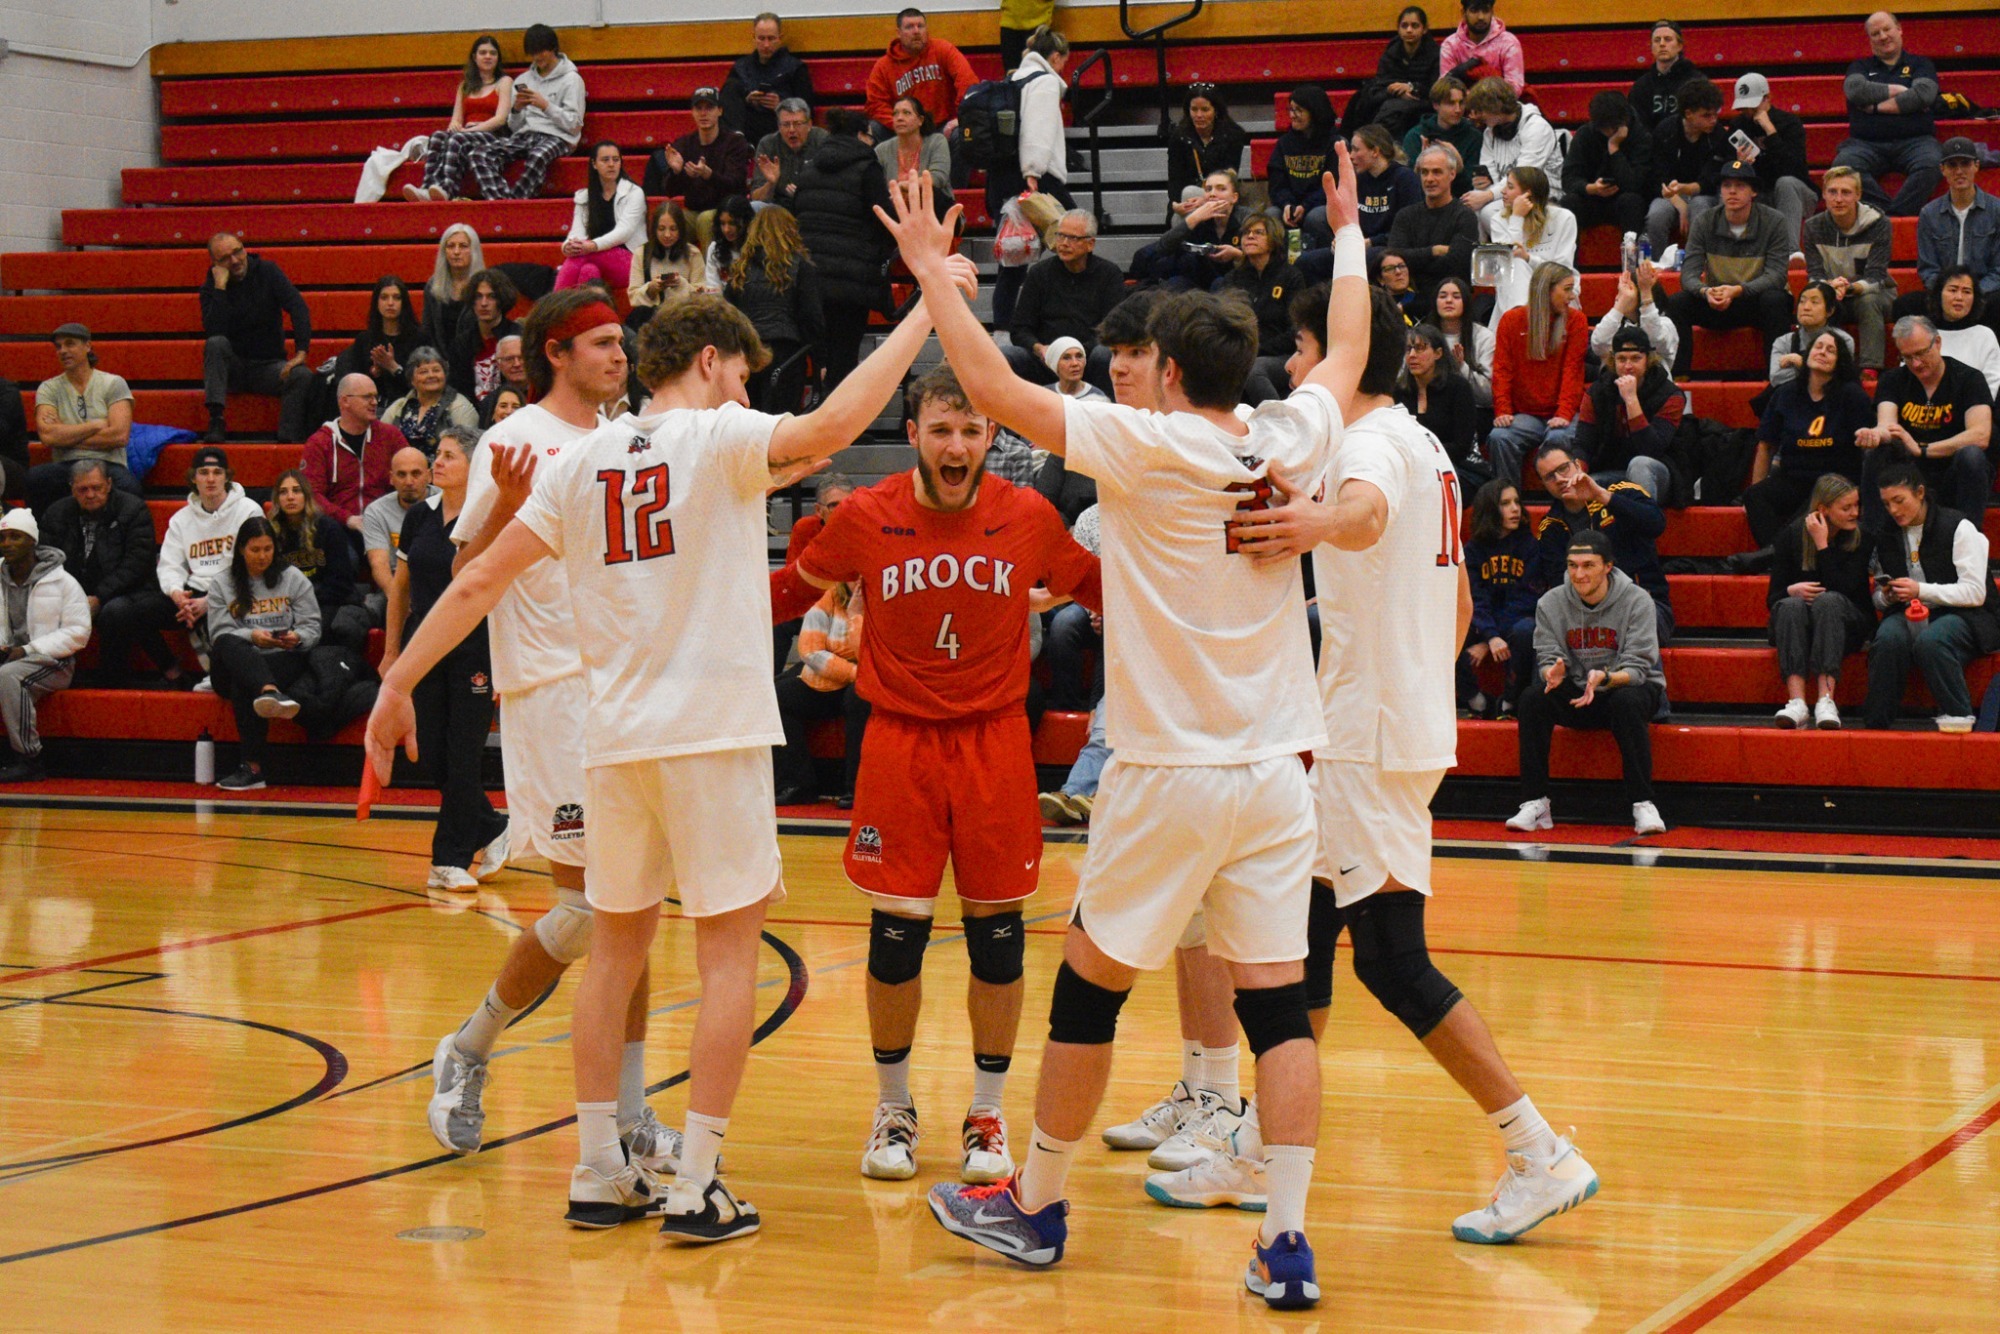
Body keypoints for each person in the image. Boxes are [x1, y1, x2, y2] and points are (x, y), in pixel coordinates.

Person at [884, 151, 1370, 1309]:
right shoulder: (1288, 436)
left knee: (1087, 991)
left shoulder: (1148, 445)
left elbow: (992, 390)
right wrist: (1347, 235)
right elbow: (1346, 353)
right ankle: (1285, 1241)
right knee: (1276, 1005)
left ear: (1169, 373)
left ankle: (1035, 1202)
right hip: (1274, 771)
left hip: (1166, 771)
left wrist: (930, 271)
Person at [372, 279, 952, 1240]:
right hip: (711, 736)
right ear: (711, 362)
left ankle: (599, 1167)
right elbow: (838, 423)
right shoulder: (717, 435)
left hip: (614, 741)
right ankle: (698, 1182)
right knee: (727, 962)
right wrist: (927, 307)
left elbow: (475, 582)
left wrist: (397, 684)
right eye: (742, 376)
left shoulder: (579, 460)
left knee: (613, 953)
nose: (746, 394)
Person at [1230, 282, 1601, 1246]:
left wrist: (1308, 527)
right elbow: (1462, 601)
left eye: (1303, 350)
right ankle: (1261, 1147)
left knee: (1393, 963)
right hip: (1381, 723)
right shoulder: (1428, 444)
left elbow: (1358, 514)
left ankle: (1538, 1150)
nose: (1296, 369)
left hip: (1371, 736)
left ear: (1342, 355)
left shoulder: (1366, 448)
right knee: (1302, 929)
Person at [786, 363, 1100, 1187]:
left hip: (994, 745)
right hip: (899, 744)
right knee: (896, 939)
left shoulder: (1028, 515)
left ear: (991, 434)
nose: (956, 446)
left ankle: (987, 1110)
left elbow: (1100, 587)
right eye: (941, 430)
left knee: (998, 940)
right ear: (913, 434)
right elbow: (791, 589)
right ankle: (893, 1106)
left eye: (970, 430)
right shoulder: (867, 515)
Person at [378, 426, 507, 889]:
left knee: (463, 755)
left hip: (475, 647)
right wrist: (392, 651)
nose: (438, 461)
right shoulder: (420, 516)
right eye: (439, 453)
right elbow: (401, 588)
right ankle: (492, 825)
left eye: (450, 455)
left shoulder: (491, 517)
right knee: (430, 752)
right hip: (424, 645)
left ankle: (449, 860)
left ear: (475, 466)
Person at [1508, 528, 1668, 834]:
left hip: (1625, 686)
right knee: (1532, 699)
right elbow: (1548, 656)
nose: (1579, 574)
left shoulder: (1637, 600)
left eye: (1588, 565)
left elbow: (1638, 668)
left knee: (1627, 701)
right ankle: (1535, 802)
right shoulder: (1550, 602)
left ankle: (1642, 803)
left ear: (1608, 566)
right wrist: (1551, 673)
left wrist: (1606, 677)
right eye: (1573, 565)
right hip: (1578, 689)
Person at [1864, 461, 2000, 732]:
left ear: (1920, 493)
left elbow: (1975, 593)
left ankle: (1959, 717)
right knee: (1887, 639)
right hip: (1907, 611)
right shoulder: (1886, 534)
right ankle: (1876, 726)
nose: (1893, 510)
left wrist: (1920, 590)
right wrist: (1888, 597)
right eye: (1886, 503)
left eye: (1899, 501)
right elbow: (1878, 599)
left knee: (1932, 640)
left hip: (1966, 614)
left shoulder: (1959, 526)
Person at [204, 515, 319, 791]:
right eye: (255, 550)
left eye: (268, 549)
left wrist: (297, 637)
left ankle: (252, 769)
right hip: (233, 660)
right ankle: (269, 692)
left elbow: (312, 626)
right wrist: (252, 636)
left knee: (244, 683)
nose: (262, 556)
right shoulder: (222, 583)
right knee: (229, 644)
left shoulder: (292, 578)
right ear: (241, 550)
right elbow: (219, 634)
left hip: (280, 658)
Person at [1034, 291, 1162, 531]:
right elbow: (1041, 503)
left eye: (1136, 352)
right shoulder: (1098, 421)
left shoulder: (1207, 435)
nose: (1117, 368)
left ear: (1171, 362)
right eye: (1114, 352)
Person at [1533, 440, 1675, 646]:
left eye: (1563, 468)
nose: (1559, 479)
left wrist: (1602, 496)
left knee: (1629, 631)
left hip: (1645, 602)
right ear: (1544, 485)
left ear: (1578, 465)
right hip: (1587, 615)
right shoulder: (1550, 527)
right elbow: (1559, 583)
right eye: (1549, 477)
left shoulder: (1620, 490)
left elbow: (1656, 523)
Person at [1661, 160, 1796, 377]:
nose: (1732, 191)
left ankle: (1778, 376)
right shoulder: (1704, 221)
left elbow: (1776, 275)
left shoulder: (1774, 221)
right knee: (1678, 302)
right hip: (1718, 300)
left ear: (1753, 192)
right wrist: (1705, 291)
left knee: (1776, 299)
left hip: (1755, 301)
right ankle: (1679, 377)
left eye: (1740, 186)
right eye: (1726, 185)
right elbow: (1689, 274)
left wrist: (1739, 290)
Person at [1860, 316, 1995, 530]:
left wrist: (1923, 449)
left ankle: (1968, 538)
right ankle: (1873, 539)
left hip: (1952, 470)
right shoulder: (1893, 380)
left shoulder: (1969, 378)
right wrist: (1875, 434)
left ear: (1937, 343)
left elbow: (1980, 435)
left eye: (1921, 353)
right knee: (1877, 453)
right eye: (1907, 357)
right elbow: (1887, 425)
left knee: (1972, 456)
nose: (1916, 363)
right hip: (1909, 472)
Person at [793, 109, 894, 391]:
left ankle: (818, 408)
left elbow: (797, 214)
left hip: (811, 275)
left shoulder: (809, 168)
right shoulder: (867, 168)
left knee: (819, 353)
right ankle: (840, 413)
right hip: (852, 278)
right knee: (845, 354)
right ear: (861, 135)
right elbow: (885, 218)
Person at [1745, 331, 1874, 546]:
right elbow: (1766, 445)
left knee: (1807, 515)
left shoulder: (1852, 394)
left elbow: (1867, 446)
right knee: (1754, 496)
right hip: (1794, 477)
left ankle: (1773, 558)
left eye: (1830, 350)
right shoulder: (1786, 393)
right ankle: (1774, 556)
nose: (1822, 352)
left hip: (1835, 481)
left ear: (1840, 361)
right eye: (1818, 347)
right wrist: (1757, 485)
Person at [1768, 474, 1876, 730]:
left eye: (1856, 505)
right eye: (1846, 508)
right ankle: (1796, 702)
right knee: (1790, 605)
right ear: (1823, 509)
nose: (1855, 513)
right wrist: (1790, 590)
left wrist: (1822, 545)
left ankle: (1826, 701)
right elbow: (1772, 599)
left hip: (1848, 623)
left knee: (1829, 601)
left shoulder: (1862, 537)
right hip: (1801, 626)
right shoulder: (1791, 535)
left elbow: (1846, 589)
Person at [40, 460, 160, 687]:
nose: (90, 494)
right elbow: (47, 561)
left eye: (97, 488)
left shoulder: (133, 509)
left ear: (109, 484)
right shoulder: (56, 513)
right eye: (82, 489)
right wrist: (72, 597)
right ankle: (52, 676)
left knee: (116, 611)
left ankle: (111, 682)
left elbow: (137, 564)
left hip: (125, 590)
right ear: (72, 489)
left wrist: (100, 596)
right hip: (72, 591)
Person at [153, 447, 264, 685]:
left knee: (219, 608)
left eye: (217, 472)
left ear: (227, 476)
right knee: (128, 612)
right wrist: (177, 595)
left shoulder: (249, 510)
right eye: (204, 472)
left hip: (237, 588)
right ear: (194, 478)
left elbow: (255, 567)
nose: (211, 479)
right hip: (194, 591)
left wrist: (210, 600)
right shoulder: (181, 519)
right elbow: (170, 565)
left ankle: (219, 675)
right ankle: (173, 672)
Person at [0, 511, 90, 783]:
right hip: (9, 655)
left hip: (53, 661)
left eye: (15, 537)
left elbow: (79, 632)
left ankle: (30, 759)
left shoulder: (63, 581)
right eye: (2, 538)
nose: (7, 543)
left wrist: (27, 650)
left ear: (32, 541)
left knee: (9, 676)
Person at [200, 233, 313, 444]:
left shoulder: (268, 271)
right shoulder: (211, 286)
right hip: (232, 369)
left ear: (244, 248)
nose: (235, 260)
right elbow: (214, 330)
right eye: (225, 258)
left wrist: (301, 352)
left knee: (302, 375)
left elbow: (298, 307)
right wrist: (220, 288)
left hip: (268, 366)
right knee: (216, 343)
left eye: (237, 252)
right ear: (215, 264)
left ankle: (288, 437)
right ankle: (216, 421)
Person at [1831, 11, 1942, 217]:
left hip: (1916, 142)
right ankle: (1887, 217)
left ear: (1899, 29)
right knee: (1844, 167)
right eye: (1875, 33)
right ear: (1870, 39)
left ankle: (1893, 216)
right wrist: (1899, 90)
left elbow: (1924, 94)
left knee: (1933, 163)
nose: (1883, 36)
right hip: (1865, 144)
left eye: (1887, 29)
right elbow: (1855, 90)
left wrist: (1875, 107)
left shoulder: (1921, 64)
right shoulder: (1860, 66)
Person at [1485, 262, 1587, 487]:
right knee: (1499, 437)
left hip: (1564, 412)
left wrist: (1564, 413)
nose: (1572, 296)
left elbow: (1573, 371)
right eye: (1567, 289)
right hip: (1527, 415)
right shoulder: (1511, 320)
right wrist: (1503, 410)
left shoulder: (1576, 321)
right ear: (1547, 290)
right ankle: (1509, 500)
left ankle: (1563, 503)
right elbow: (1502, 370)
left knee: (1558, 438)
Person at [771, 579, 868, 804]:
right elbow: (810, 651)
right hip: (835, 677)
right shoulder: (828, 597)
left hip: (868, 681)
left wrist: (856, 615)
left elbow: (872, 654)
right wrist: (853, 671)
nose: (857, 580)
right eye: (851, 574)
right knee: (777, 696)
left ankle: (857, 789)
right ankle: (796, 784)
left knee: (858, 697)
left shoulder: (885, 601)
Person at [1006, 210, 1124, 394]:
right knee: (1008, 355)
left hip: (1088, 359)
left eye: (1073, 238)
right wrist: (1040, 349)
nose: (1064, 243)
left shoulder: (1109, 274)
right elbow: (1020, 329)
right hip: (1046, 359)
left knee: (1104, 354)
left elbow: (1112, 328)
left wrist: (1075, 354)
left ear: (1090, 244)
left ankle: (1107, 408)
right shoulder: (1039, 273)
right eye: (1060, 236)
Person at [29, 323, 139, 514]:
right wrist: (96, 425)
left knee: (130, 488)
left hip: (107, 463)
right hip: (66, 464)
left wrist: (65, 437)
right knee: (36, 479)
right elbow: (48, 436)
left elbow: (119, 436)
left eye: (70, 344)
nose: (63, 351)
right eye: (58, 346)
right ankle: (44, 533)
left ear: (87, 346)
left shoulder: (113, 383)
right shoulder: (48, 388)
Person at [468, 24, 586, 202]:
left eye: (541, 52)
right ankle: (503, 202)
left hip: (558, 137)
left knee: (537, 156)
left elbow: (574, 125)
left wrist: (545, 106)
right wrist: (516, 110)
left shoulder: (572, 80)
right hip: (526, 135)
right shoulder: (523, 80)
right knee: (478, 154)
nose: (537, 57)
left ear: (553, 48)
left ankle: (513, 205)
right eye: (533, 53)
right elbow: (514, 128)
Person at [726, 206, 826, 413]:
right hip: (787, 353)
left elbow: (728, 315)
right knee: (782, 421)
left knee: (749, 422)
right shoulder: (801, 267)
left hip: (748, 352)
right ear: (790, 231)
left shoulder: (740, 269)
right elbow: (811, 318)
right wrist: (820, 360)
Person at [1572, 324, 1684, 502]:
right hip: (1611, 470)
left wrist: (1631, 400)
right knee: (1580, 485)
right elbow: (1583, 443)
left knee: (1639, 464)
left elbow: (1651, 449)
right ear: (1613, 361)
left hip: (1656, 471)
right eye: (1622, 359)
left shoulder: (1670, 395)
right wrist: (1578, 472)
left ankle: (1643, 517)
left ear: (1648, 360)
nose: (1628, 366)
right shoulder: (1597, 392)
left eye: (1635, 358)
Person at [268, 469, 371, 656]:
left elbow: (341, 582)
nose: (290, 497)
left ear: (307, 496)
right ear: (277, 499)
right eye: (283, 492)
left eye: (296, 491)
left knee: (317, 633)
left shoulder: (329, 529)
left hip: (328, 601)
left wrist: (306, 601)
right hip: (287, 606)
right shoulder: (271, 533)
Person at [1804, 166, 1895, 371]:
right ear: (1824, 194)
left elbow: (1876, 276)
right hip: (1832, 294)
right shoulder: (1812, 227)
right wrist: (1829, 288)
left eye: (1846, 192)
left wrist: (1848, 288)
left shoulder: (1879, 223)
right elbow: (1815, 274)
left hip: (1877, 294)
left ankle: (1870, 368)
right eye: (1832, 192)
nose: (1838, 199)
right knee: (1814, 301)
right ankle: (1817, 367)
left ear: (1858, 195)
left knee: (1867, 301)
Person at [1460, 478, 1539, 713]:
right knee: (1445, 631)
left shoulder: (1530, 546)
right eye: (1505, 503)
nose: (1515, 509)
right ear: (1490, 509)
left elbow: (1525, 600)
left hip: (1515, 621)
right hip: (1482, 622)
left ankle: (1509, 702)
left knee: (1526, 631)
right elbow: (1475, 598)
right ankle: (1475, 700)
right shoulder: (1473, 550)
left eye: (1517, 502)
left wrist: (1491, 639)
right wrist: (1489, 634)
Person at [407, 34, 514, 203]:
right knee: (437, 136)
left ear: (497, 58)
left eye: (492, 53)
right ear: (474, 57)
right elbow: (456, 119)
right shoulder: (465, 86)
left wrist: (470, 130)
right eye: (483, 53)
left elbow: (500, 119)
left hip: (493, 135)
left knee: (457, 139)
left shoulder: (504, 82)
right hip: (467, 132)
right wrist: (455, 126)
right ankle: (427, 188)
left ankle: (447, 188)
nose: (488, 56)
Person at [1909, 139, 2000, 333]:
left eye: (1965, 164)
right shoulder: (1929, 213)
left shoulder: (1996, 211)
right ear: (1942, 169)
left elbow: (1998, 269)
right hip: (1943, 293)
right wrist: (1948, 293)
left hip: (1984, 293)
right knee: (1905, 305)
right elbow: (1928, 268)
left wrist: (1972, 293)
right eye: (1952, 165)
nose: (1959, 171)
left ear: (1976, 166)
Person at [645, 88, 753, 249]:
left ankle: (710, 266)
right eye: (699, 108)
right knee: (668, 219)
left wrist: (709, 175)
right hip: (695, 211)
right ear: (692, 112)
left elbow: (736, 184)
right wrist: (676, 172)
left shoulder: (734, 142)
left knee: (705, 219)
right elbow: (670, 191)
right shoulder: (684, 143)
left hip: (728, 211)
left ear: (720, 111)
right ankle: (663, 264)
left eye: (709, 108)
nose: (703, 113)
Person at [1721, 72, 1816, 252]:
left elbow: (1795, 170)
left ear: (1767, 98)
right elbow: (1727, 169)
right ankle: (1731, 253)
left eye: (1753, 106)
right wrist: (1740, 165)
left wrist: (1771, 133)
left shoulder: (1789, 123)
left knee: (1786, 183)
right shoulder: (1738, 126)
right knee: (1732, 189)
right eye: (1744, 108)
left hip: (1796, 194)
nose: (1748, 112)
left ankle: (1789, 252)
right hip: (1760, 192)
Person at [302, 373, 404, 533]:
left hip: (385, 523)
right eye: (367, 397)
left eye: (375, 397)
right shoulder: (320, 443)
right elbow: (312, 494)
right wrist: (348, 519)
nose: (374, 402)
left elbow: (409, 474)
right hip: (338, 527)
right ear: (345, 401)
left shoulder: (390, 436)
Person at [1222, 215, 1308, 406]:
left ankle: (1281, 420)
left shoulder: (1291, 277)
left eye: (1258, 232)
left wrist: (1257, 350)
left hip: (1282, 355)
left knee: (1254, 370)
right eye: (1246, 232)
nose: (1250, 236)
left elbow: (1296, 330)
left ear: (1273, 239)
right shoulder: (1233, 278)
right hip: (1242, 353)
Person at [988, 25, 1071, 216]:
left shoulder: (1013, 78)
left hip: (1004, 171)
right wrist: (1032, 172)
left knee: (1016, 234)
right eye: (1064, 62)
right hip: (1036, 176)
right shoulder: (1045, 82)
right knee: (1074, 229)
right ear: (1056, 57)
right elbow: (1037, 128)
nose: (1062, 68)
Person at [1459, 79, 1561, 232]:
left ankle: (1512, 247)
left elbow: (1524, 177)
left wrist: (1489, 195)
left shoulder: (1536, 127)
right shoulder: (1490, 131)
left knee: (1489, 213)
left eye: (1481, 110)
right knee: (1470, 208)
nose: (1478, 116)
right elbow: (1489, 170)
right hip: (1506, 192)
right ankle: (1482, 248)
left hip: (1541, 195)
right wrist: (1484, 187)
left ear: (1495, 107)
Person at [864, 8, 977, 140]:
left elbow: (968, 83)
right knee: (874, 129)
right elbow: (876, 105)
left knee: (962, 132)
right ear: (898, 33)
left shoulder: (943, 50)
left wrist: (960, 118)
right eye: (909, 27)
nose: (916, 31)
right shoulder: (883, 66)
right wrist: (902, 123)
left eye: (920, 26)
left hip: (942, 128)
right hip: (902, 131)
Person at [1644, 76, 1725, 259]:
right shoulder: (1665, 131)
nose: (1713, 120)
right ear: (1688, 114)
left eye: (1715, 114)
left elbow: (1711, 179)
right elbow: (1657, 175)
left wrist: (1685, 189)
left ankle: (1697, 264)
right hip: (1670, 195)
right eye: (1706, 115)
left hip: (1702, 194)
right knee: (1656, 214)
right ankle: (1657, 265)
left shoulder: (1718, 135)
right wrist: (1679, 202)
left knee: (1700, 207)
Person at [1384, 144, 1479, 298]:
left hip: (1448, 298)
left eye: (1437, 172)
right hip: (1409, 297)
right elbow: (1393, 260)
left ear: (1452, 174)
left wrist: (1413, 260)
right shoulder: (1405, 215)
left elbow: (1457, 265)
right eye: (1424, 172)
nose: (1429, 179)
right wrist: (1434, 251)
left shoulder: (1465, 216)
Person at [1487, 165, 1576, 322]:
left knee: (1519, 261)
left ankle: (1523, 322)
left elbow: (1562, 271)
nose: (1503, 191)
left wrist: (1529, 259)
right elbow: (1505, 265)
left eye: (1510, 187)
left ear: (1528, 194)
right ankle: (1522, 322)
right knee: (1515, 263)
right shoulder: (1498, 220)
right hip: (1512, 296)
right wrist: (1516, 218)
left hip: (1554, 290)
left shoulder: (1564, 218)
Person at [555, 141, 645, 294]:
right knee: (588, 271)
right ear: (594, 164)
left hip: (631, 263)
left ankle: (554, 304)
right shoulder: (584, 196)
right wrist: (569, 246)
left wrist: (592, 246)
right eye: (605, 160)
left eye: (616, 160)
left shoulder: (634, 193)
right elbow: (576, 232)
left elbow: (624, 232)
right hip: (594, 258)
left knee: (580, 257)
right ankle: (589, 309)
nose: (611, 164)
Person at [1137, 168, 1249, 291]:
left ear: (1234, 197)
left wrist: (1238, 255)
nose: (1212, 194)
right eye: (1208, 189)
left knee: (1219, 284)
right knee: (1174, 282)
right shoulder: (1199, 218)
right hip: (1201, 282)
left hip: (1238, 283)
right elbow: (1162, 247)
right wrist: (1194, 218)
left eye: (1221, 189)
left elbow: (1263, 259)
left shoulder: (1247, 218)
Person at [1399, 323, 1483, 484]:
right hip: (1412, 468)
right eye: (1408, 349)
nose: (1412, 355)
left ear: (1438, 353)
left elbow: (1461, 447)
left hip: (1460, 468)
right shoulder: (1399, 392)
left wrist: (1421, 455)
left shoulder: (1458, 388)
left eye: (1420, 348)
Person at [1561, 92, 1651, 239]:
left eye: (1614, 127)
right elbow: (1568, 178)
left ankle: (1630, 253)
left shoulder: (1640, 136)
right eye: (1605, 128)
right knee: (1569, 202)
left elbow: (1635, 184)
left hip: (1623, 201)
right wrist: (1590, 188)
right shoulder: (1584, 135)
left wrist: (1614, 148)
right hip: (1592, 199)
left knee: (1632, 201)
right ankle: (1567, 254)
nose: (1609, 132)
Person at [1344, 6, 1440, 139]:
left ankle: (1375, 142)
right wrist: (1394, 90)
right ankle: (1349, 141)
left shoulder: (1435, 54)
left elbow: (1435, 90)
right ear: (1398, 29)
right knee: (1359, 99)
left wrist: (1412, 87)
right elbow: (1380, 84)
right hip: (1391, 97)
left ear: (1424, 29)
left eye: (1415, 25)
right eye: (1404, 26)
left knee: (1393, 108)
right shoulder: (1391, 53)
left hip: (1421, 101)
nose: (1409, 30)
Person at [360, 446, 436, 612]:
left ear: (429, 476)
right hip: (395, 583)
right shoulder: (376, 511)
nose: (409, 481)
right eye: (401, 474)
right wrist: (397, 598)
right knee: (356, 616)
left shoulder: (448, 502)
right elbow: (379, 563)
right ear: (391, 478)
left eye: (416, 474)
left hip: (437, 582)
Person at [722, 13, 815, 147]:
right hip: (747, 128)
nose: (766, 44)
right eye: (761, 38)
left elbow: (807, 108)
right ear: (754, 38)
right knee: (731, 87)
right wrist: (747, 101)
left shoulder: (795, 68)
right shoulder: (741, 67)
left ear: (780, 38)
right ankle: (737, 141)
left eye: (771, 39)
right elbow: (728, 103)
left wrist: (781, 105)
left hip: (780, 130)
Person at [335, 277, 423, 409]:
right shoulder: (364, 340)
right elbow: (353, 382)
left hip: (410, 406)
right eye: (384, 297)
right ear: (376, 302)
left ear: (404, 303)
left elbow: (423, 384)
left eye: (396, 298)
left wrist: (394, 368)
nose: (390, 303)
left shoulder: (419, 338)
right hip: (372, 408)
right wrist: (373, 373)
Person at [1167, 85, 1251, 219]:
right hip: (1187, 199)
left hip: (1221, 195)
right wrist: (1176, 204)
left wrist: (1205, 200)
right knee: (1187, 195)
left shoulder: (1233, 135)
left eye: (1205, 110)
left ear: (1216, 110)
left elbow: (1229, 177)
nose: (1199, 115)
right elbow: (1175, 179)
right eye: (1194, 109)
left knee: (1190, 192)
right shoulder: (1179, 137)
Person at [1268, 85, 1337, 245]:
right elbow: (1276, 184)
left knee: (1315, 218)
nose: (1292, 115)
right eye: (1291, 110)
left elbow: (1334, 186)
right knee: (1270, 216)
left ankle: (1329, 256)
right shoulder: (1284, 143)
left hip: (1321, 205)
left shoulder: (1334, 143)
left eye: (1298, 110)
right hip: (1290, 206)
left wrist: (1305, 206)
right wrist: (1287, 204)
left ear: (1315, 112)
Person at [384, 348, 480, 460]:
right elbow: (381, 441)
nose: (431, 375)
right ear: (412, 380)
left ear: (445, 375)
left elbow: (467, 451)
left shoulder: (459, 406)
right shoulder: (399, 407)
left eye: (436, 370)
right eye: (423, 372)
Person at [626, 201, 707, 330]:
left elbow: (702, 296)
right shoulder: (641, 253)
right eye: (661, 229)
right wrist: (651, 289)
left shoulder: (693, 253)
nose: (667, 235)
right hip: (652, 320)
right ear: (654, 229)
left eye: (673, 229)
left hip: (686, 318)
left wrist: (682, 284)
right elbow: (633, 297)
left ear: (681, 229)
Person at [1766, 281, 1857, 395]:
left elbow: (1840, 376)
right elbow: (1776, 378)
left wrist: (1802, 363)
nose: (1806, 307)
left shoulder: (1843, 340)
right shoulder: (1783, 341)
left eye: (1814, 302)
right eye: (1802, 301)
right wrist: (1818, 369)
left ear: (1830, 311)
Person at [447, 269, 523, 401]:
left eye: (491, 296)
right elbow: (458, 389)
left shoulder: (520, 337)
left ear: (501, 300)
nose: (484, 303)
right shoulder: (461, 343)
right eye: (478, 296)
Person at [1592, 260, 1680, 373]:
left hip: (1653, 383)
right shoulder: (1615, 324)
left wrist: (1646, 292)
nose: (1619, 297)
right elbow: (1599, 345)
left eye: (1627, 291)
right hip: (1615, 383)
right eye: (1620, 292)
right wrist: (1620, 306)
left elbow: (1654, 340)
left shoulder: (1666, 324)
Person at [1402, 77, 1482, 196]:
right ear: (1436, 105)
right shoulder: (1415, 136)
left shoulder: (1474, 137)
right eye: (1450, 103)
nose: (1458, 109)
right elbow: (1408, 187)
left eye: (1461, 103)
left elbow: (1472, 188)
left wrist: (1459, 169)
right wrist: (1421, 166)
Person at [1350, 124, 1422, 250]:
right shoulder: (1358, 178)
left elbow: (1409, 229)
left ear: (1375, 152)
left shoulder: (1405, 178)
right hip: (1360, 243)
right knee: (1312, 258)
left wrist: (1371, 242)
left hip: (1389, 247)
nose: (1351, 156)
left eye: (1356, 150)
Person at [1930, 266, 2000, 396]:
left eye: (1967, 292)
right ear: (1939, 294)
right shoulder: (1923, 335)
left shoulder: (1985, 336)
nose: (1959, 297)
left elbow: (1992, 385)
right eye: (1953, 290)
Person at [875, 95, 953, 210]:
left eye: (906, 113)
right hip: (896, 213)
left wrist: (907, 185)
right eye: (895, 113)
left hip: (935, 210)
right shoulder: (881, 150)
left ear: (920, 120)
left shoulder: (936, 141)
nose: (899, 118)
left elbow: (938, 178)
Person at [753, 99, 831, 213]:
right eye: (785, 124)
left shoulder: (823, 140)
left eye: (797, 124)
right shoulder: (767, 144)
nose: (791, 130)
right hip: (779, 209)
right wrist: (771, 184)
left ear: (809, 125)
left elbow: (834, 187)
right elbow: (756, 197)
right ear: (779, 126)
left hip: (815, 207)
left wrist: (805, 194)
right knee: (754, 207)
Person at [1429, 274, 1494, 407]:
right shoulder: (1423, 336)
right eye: (1443, 296)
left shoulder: (1484, 337)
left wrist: (1461, 367)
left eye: (1456, 297)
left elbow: (1488, 394)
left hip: (1473, 409)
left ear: (1466, 302)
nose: (1449, 300)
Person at [1438, 0, 1524, 94]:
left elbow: (1514, 88)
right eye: (1474, 10)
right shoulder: (1450, 45)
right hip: (1461, 103)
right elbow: (1446, 88)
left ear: (1492, 12)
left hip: (1499, 102)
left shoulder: (1508, 42)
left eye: (1485, 10)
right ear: (1463, 13)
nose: (1481, 17)